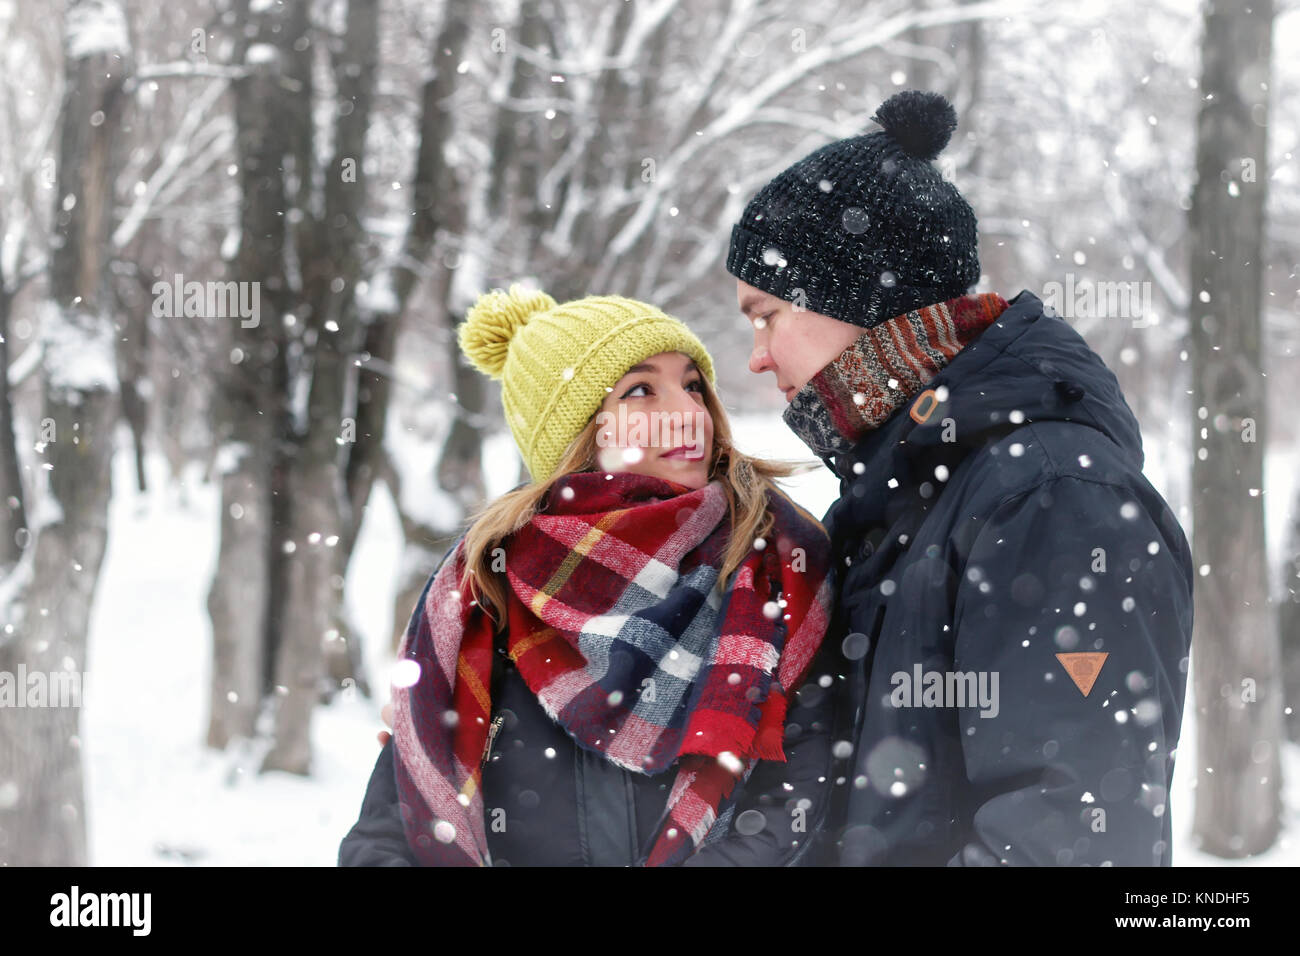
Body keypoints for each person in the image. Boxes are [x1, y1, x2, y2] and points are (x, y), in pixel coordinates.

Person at [724, 90, 1194, 865]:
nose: (757, 355)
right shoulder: (899, 494)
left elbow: (1067, 839)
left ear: (856, 296)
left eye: (765, 313)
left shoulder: (1051, 495)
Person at [339, 285, 837, 866]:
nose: (688, 413)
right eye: (641, 391)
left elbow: (795, 809)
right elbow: (386, 836)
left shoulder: (780, 568)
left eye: (693, 385)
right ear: (577, 432)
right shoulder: (480, 596)